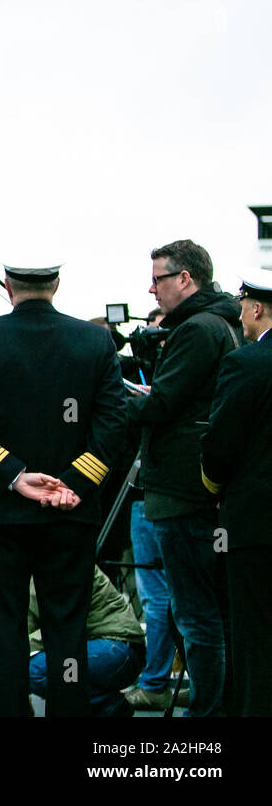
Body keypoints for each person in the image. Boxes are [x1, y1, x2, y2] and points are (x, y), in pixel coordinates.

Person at [0, 260, 127, 717]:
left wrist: (14, 475)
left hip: (0, 512)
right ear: (57, 284)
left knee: (4, 633)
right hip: (70, 513)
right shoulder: (94, 341)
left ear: (9, 285)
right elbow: (113, 426)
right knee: (67, 631)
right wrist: (72, 483)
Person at [126, 239, 241, 717]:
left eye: (158, 279)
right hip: (208, 490)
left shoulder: (197, 330)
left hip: (183, 490)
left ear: (185, 279)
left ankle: (207, 716)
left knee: (194, 616)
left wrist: (110, 389)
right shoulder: (224, 324)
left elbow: (161, 405)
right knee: (214, 613)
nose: (150, 290)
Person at [201, 272, 272, 716]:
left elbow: (219, 447)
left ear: (258, 309)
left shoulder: (248, 364)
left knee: (257, 639)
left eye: (244, 304)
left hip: (256, 526)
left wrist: (213, 486)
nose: (241, 312)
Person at [124, 305, 185, 711]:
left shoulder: (177, 372)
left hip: (157, 496)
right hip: (153, 496)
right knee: (171, 595)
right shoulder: (142, 371)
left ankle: (156, 679)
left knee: (159, 595)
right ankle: (164, 677)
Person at [28, 566, 145, 717]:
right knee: (32, 667)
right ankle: (102, 703)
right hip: (113, 648)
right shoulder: (35, 568)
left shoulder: (54, 565)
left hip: (116, 647)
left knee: (33, 671)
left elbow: (55, 630)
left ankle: (108, 705)